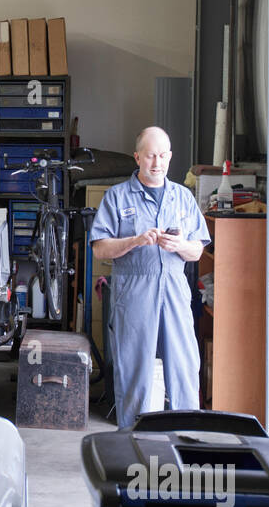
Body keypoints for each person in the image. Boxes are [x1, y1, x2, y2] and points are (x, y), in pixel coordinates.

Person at [89, 126, 211, 428]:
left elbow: (197, 251)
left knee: (184, 366)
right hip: (133, 289)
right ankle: (132, 442)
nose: (156, 163)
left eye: (162, 156)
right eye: (150, 156)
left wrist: (179, 245)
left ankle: (187, 438)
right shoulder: (116, 197)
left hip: (174, 287)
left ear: (170, 157)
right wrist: (134, 241)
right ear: (137, 157)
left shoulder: (183, 198)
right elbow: (100, 249)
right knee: (134, 370)